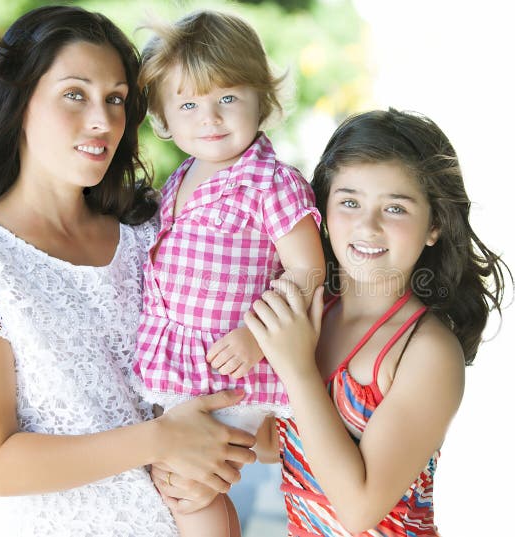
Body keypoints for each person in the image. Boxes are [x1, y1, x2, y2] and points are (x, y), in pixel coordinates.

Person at [0, 6, 257, 536]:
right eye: (75, 94)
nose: (103, 121)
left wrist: (217, 454)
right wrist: (162, 439)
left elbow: (223, 381)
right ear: (21, 101)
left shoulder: (153, 232)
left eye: (116, 99)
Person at [246, 109, 511, 536]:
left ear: (434, 225)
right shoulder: (314, 314)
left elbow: (358, 509)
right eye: (350, 202)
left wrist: (297, 370)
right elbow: (274, 447)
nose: (367, 226)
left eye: (395, 208)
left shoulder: (426, 351)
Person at [134, 9, 325, 536]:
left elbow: (308, 269)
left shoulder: (270, 182)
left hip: (231, 368)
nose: (209, 118)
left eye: (228, 98)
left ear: (262, 100)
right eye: (188, 104)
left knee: (190, 488)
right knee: (176, 486)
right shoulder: (180, 179)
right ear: (163, 118)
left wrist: (256, 337)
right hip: (180, 365)